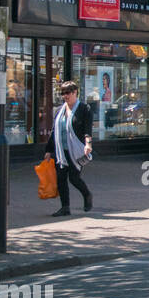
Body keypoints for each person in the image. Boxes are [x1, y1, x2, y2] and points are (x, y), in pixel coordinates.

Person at [44, 80, 93, 216]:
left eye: (68, 93)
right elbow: (54, 131)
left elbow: (87, 130)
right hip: (61, 151)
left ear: (75, 92)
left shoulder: (84, 109)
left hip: (76, 150)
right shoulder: (59, 110)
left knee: (74, 178)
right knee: (60, 179)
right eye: (63, 93)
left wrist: (88, 144)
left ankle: (87, 195)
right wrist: (49, 150)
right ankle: (65, 207)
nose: (65, 96)